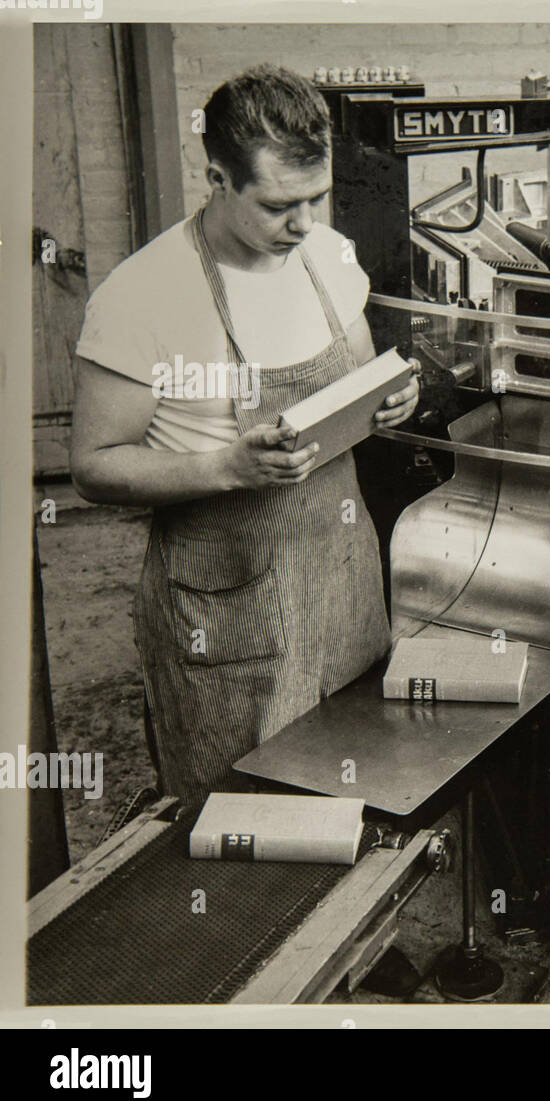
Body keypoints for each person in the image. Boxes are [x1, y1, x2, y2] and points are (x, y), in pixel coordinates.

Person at [70, 64, 419, 804]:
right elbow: (94, 468)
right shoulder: (142, 298)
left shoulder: (325, 258)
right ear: (217, 178)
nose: (304, 225)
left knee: (345, 784)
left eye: (316, 198)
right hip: (227, 602)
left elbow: (355, 376)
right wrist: (230, 466)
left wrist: (391, 404)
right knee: (238, 810)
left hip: (341, 572)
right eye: (278, 206)